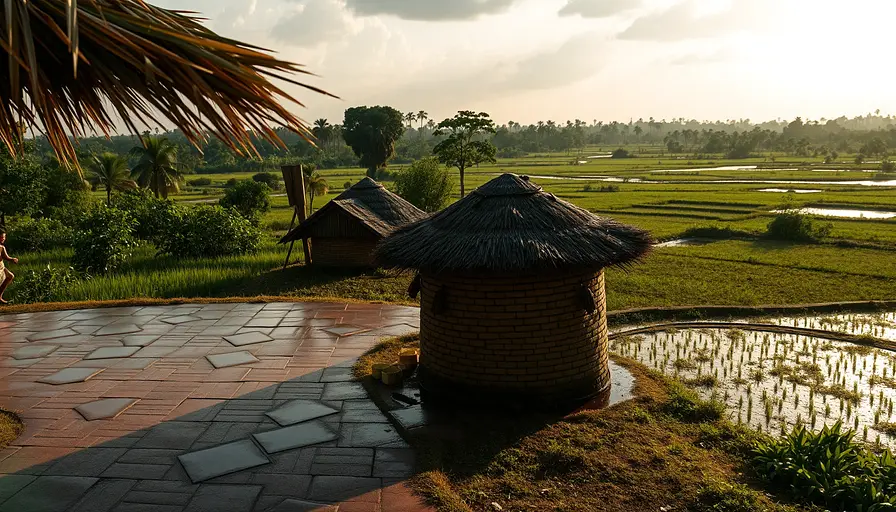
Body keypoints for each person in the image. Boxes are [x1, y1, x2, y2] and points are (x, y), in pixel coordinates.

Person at [0, 230, 18, 304]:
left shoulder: (2, 247)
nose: (3, 239)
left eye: (4, 237)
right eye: (1, 237)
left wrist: (12, 259)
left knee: (10, 276)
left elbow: (6, 257)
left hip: (1, 267)